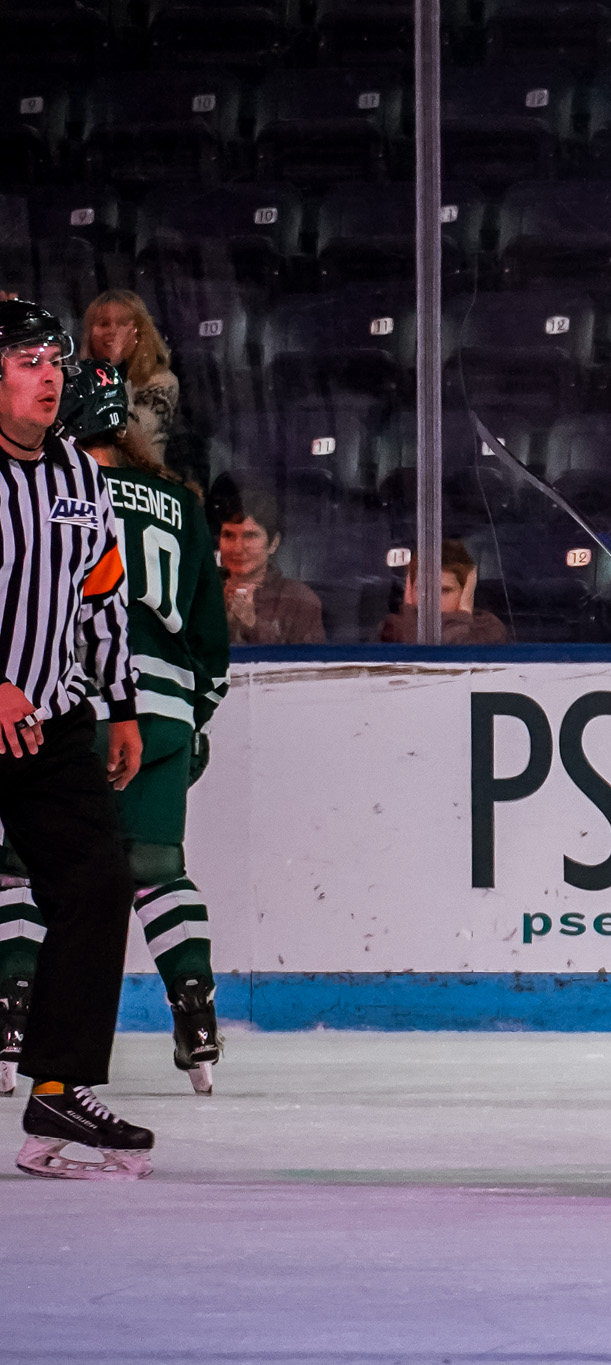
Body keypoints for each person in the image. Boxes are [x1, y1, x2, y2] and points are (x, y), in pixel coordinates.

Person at [0, 356, 232, 1098]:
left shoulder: (52, 486)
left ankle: (13, 1012)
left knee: (24, 866)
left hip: (65, 703)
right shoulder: (179, 500)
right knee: (158, 864)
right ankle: (195, 1014)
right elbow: (209, 636)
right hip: (159, 710)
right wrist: (193, 719)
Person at [0, 298, 153, 1179]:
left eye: (53, 360)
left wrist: (122, 706)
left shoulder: (79, 480)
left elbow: (101, 600)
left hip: (52, 725)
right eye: (26, 361)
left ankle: (59, 1082)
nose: (49, 374)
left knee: (97, 883)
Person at [82, 290, 179, 469]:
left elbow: (139, 442)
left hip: (142, 482)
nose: (112, 332)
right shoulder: (78, 383)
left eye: (121, 324)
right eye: (103, 324)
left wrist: (113, 367)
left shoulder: (162, 381)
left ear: (138, 332)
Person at [218, 489, 325, 645]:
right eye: (228, 535)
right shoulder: (200, 592)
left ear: (273, 543)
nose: (238, 548)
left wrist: (253, 624)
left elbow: (310, 665)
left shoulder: (301, 602)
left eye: (250, 536)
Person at [378, 540, 508, 645]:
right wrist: (410, 616)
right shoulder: (392, 628)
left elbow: (453, 667)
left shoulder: (487, 629)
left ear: (465, 591)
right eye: (422, 589)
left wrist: (462, 616)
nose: (431, 599)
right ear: (409, 589)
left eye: (444, 590)